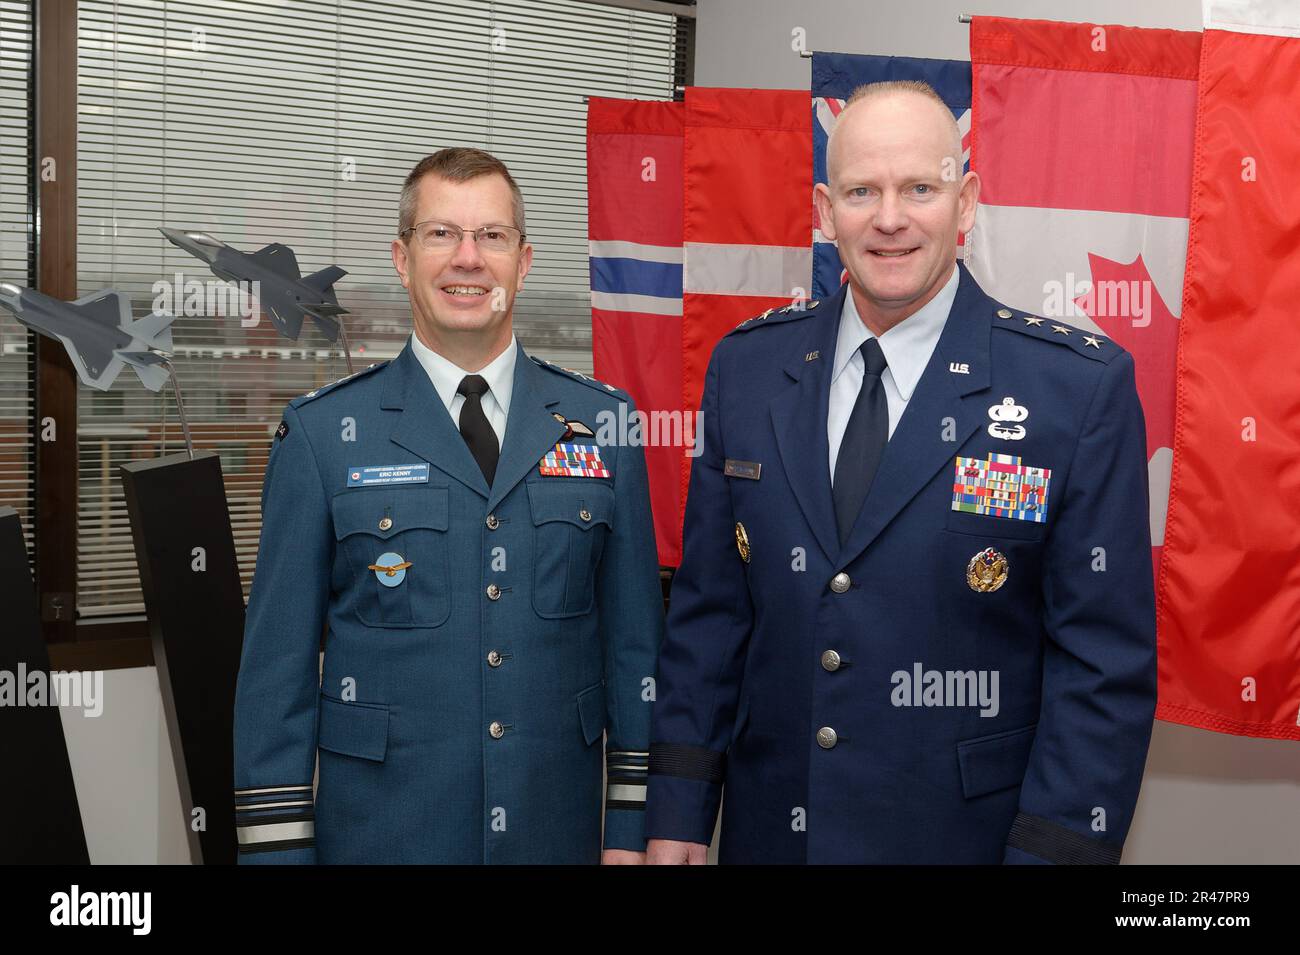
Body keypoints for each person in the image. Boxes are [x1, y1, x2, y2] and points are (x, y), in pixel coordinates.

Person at [644, 81, 1157, 864]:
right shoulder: (746, 370)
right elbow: (710, 618)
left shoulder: (1075, 391)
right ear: (824, 210)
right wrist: (679, 807)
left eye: (920, 187)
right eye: (861, 191)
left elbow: (1103, 669)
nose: (890, 218)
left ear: (967, 200)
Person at [233, 147, 662, 864]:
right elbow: (275, 677)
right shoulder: (322, 436)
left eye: (491, 236)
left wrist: (630, 828)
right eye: (441, 235)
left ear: (524, 262)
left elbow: (635, 652)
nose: (468, 258)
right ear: (402, 259)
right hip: (384, 840)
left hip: (554, 837)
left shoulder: (605, 426)